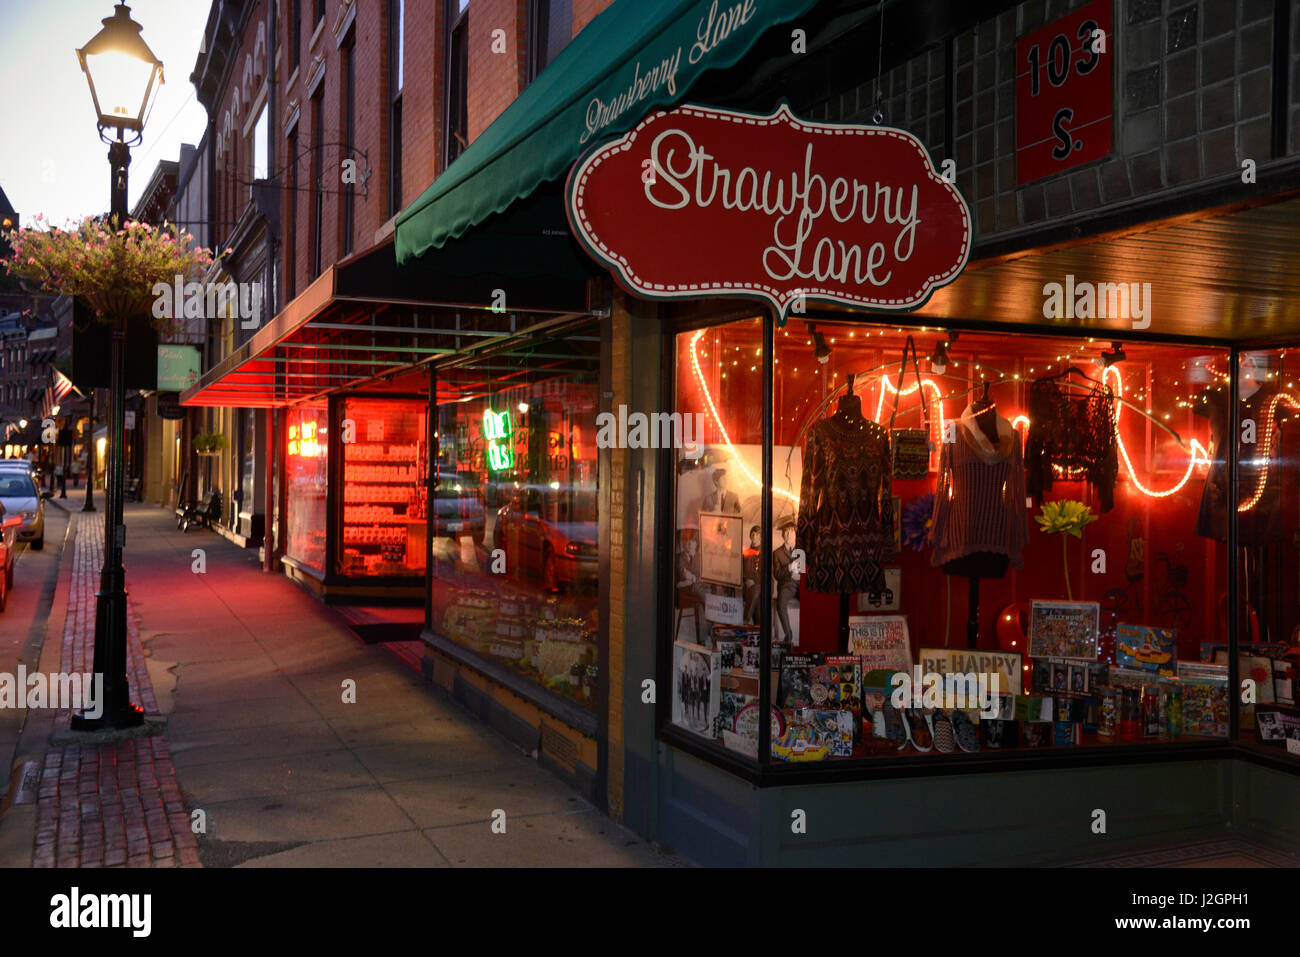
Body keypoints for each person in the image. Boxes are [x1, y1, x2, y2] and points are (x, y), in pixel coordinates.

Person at [676, 533, 710, 644]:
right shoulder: (679, 557)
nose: (690, 544)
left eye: (693, 541)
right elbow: (684, 573)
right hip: (685, 594)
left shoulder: (700, 557)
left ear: (696, 544)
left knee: (700, 604)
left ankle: (701, 641)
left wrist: (692, 580)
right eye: (687, 541)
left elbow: (703, 576)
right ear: (684, 543)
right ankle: (712, 626)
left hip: (699, 592)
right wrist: (692, 580)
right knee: (700, 592)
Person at [772, 523, 800, 643]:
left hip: (802, 585)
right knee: (780, 604)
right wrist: (789, 567)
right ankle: (788, 635)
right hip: (787, 585)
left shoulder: (801, 550)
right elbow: (777, 575)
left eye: (791, 531)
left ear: (795, 533)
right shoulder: (777, 553)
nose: (789, 534)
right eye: (786, 532)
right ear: (783, 535)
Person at [742, 525, 761, 624]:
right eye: (752, 534)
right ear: (750, 536)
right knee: (756, 601)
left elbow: (766, 574)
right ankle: (757, 629)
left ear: (760, 537)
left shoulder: (765, 552)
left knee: (756, 589)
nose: (754, 536)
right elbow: (742, 571)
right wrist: (746, 580)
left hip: (762, 587)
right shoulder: (746, 553)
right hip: (748, 587)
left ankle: (746, 619)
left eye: (757, 534)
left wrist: (753, 582)